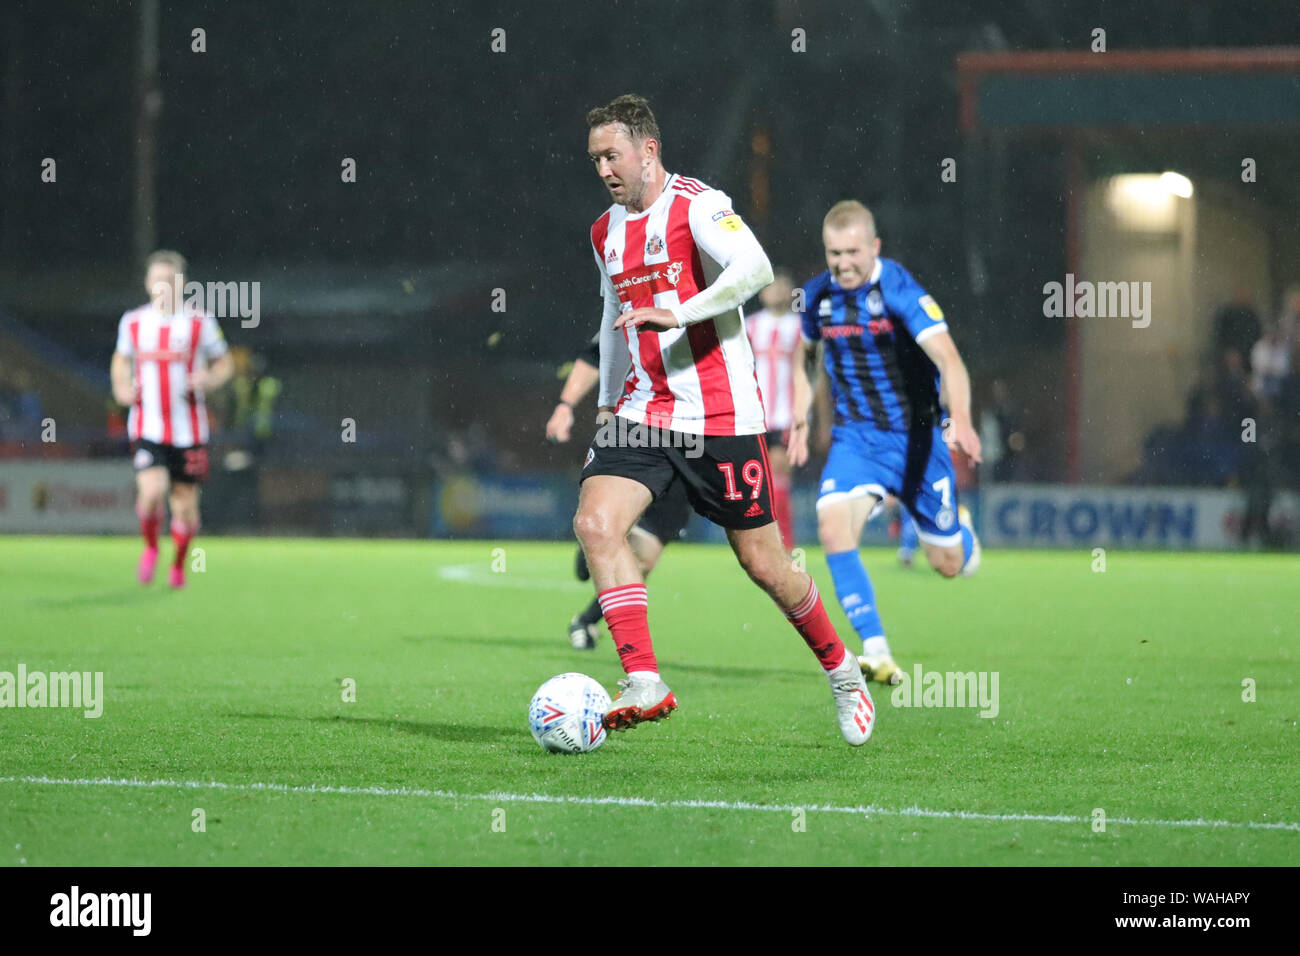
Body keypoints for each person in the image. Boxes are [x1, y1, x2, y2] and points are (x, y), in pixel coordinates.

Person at [574, 94, 875, 746]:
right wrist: (604, 405)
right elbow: (610, 319)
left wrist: (679, 312)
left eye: (612, 154)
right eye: (595, 157)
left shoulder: (698, 205)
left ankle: (842, 669)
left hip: (719, 413)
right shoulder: (605, 232)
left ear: (647, 150)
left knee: (764, 562)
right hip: (641, 410)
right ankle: (644, 679)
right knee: (596, 522)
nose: (603, 168)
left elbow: (756, 268)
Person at [788, 201, 982, 685]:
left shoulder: (898, 290)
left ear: (874, 247)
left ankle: (960, 529)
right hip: (856, 439)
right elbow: (804, 356)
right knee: (832, 529)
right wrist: (799, 414)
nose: (843, 263)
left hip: (918, 441)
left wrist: (961, 419)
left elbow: (951, 361)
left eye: (853, 251)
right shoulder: (817, 297)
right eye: (834, 253)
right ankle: (875, 651)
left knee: (948, 566)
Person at [546, 332, 692, 649]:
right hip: (633, 431)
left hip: (690, 438)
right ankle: (601, 535)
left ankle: (584, 620)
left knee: (644, 560)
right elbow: (595, 353)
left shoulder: (709, 306)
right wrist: (565, 405)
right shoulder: (632, 298)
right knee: (610, 530)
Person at [110, 250, 233, 588]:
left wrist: (210, 378)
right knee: (152, 491)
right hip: (148, 425)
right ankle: (150, 549)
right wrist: (121, 386)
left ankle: (178, 565)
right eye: (157, 280)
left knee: (185, 507)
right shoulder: (133, 322)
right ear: (148, 284)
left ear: (182, 284)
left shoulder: (200, 322)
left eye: (170, 280)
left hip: (189, 430)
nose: (163, 286)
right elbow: (120, 361)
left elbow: (224, 364)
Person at [744, 270, 801, 549]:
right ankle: (760, 542)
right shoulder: (749, 325)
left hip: (787, 416)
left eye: (782, 285)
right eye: (770, 286)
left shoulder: (800, 327)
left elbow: (816, 375)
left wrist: (819, 418)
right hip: (753, 416)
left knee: (779, 478)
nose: (775, 291)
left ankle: (785, 543)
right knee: (755, 480)